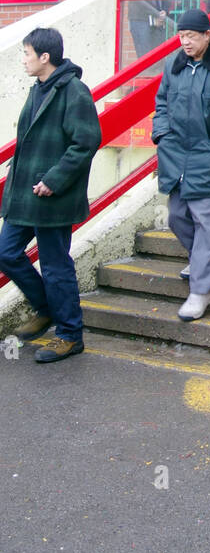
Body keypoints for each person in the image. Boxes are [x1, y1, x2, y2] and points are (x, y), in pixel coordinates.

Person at [0, 28, 102, 363]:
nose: (24, 60)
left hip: (53, 196)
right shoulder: (40, 88)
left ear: (46, 57)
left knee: (56, 266)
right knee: (7, 252)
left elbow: (86, 141)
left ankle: (70, 335)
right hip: (26, 195)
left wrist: (55, 179)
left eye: (28, 54)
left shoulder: (73, 90)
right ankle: (46, 307)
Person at [151, 8, 210, 321]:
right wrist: (162, 135)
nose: (185, 42)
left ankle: (201, 290)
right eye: (181, 36)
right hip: (176, 156)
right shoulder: (174, 65)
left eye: (191, 36)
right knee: (177, 216)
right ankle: (204, 259)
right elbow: (161, 103)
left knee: (207, 224)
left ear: (208, 34)